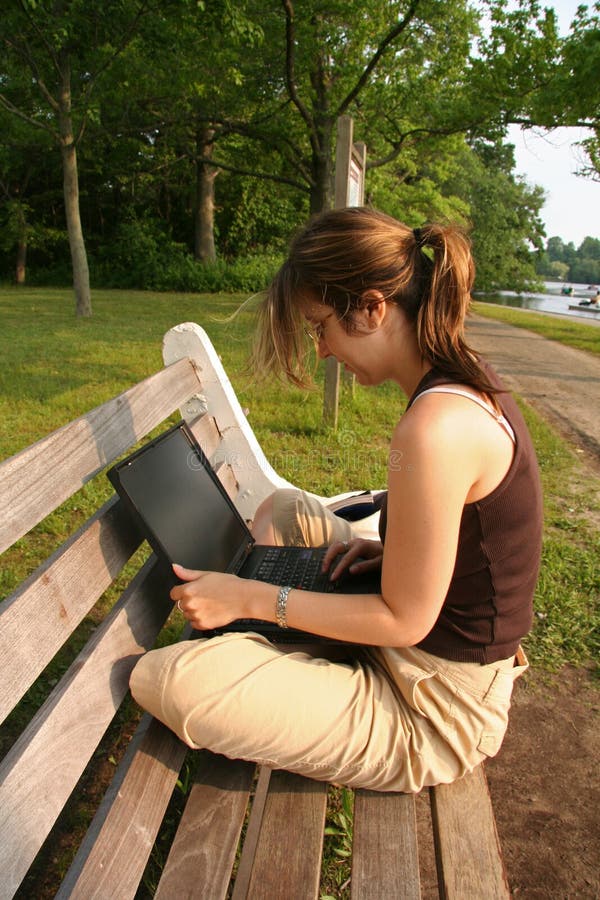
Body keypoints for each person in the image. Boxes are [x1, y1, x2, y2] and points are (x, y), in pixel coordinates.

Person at [130, 207, 543, 793]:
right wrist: (393, 556)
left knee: (165, 681)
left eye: (320, 325)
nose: (321, 349)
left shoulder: (436, 427)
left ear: (373, 307)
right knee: (286, 514)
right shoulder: (453, 385)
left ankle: (259, 634)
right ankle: (274, 635)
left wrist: (254, 597)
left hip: (434, 709)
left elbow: (405, 618)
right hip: (415, 652)